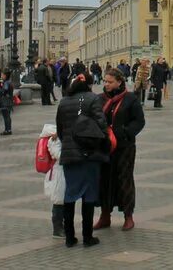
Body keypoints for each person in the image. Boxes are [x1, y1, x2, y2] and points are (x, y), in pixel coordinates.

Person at [56, 74, 109, 247]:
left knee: (70, 194)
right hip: (89, 154)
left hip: (69, 154)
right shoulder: (93, 99)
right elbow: (101, 124)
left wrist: (68, 144)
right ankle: (88, 237)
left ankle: (70, 238)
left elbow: (60, 128)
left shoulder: (63, 101)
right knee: (89, 195)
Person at [95, 68, 145, 231]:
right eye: (105, 81)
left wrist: (125, 132)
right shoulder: (99, 99)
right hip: (104, 146)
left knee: (124, 178)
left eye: (110, 82)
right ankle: (105, 215)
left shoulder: (130, 99)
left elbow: (139, 121)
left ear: (119, 82)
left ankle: (128, 215)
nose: (106, 84)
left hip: (124, 146)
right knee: (104, 180)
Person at [39, 123, 66, 237]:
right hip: (58, 172)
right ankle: (57, 228)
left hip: (64, 172)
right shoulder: (54, 138)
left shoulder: (63, 135)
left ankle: (63, 226)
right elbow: (57, 155)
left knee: (64, 200)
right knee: (58, 200)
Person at [0, 70, 14, 136]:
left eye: (2, 75)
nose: (1, 76)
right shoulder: (10, 82)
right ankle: (9, 129)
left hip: (5, 101)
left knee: (6, 116)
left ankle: (7, 130)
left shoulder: (6, 83)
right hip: (9, 101)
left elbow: (5, 90)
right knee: (8, 116)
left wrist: (2, 92)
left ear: (5, 75)